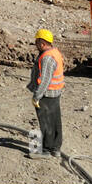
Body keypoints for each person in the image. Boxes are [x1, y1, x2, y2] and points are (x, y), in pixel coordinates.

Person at [27, 28, 64, 159]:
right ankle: (56, 149)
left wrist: (37, 96)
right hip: (55, 93)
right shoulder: (54, 52)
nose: (36, 45)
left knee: (46, 122)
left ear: (42, 44)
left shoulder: (47, 58)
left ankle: (46, 151)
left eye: (37, 42)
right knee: (55, 121)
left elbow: (44, 80)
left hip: (47, 94)